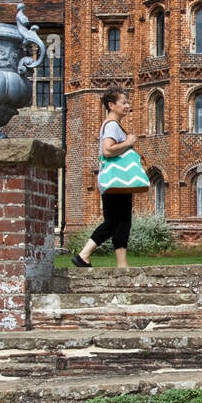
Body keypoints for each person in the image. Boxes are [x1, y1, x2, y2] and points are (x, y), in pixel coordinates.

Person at [72, 89, 139, 269]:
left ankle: (114, 262)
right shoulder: (112, 125)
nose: (127, 106)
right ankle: (85, 255)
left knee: (117, 221)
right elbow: (107, 150)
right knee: (119, 221)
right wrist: (129, 142)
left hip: (112, 180)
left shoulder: (111, 125)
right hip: (116, 180)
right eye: (123, 102)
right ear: (112, 105)